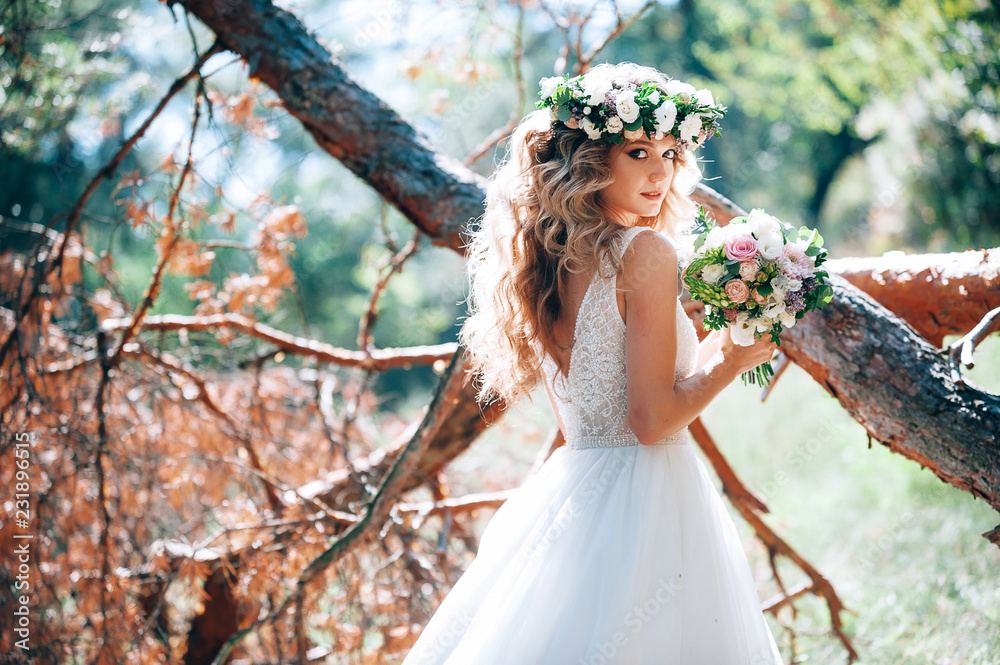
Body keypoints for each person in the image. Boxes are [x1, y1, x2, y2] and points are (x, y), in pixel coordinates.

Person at [401, 62, 782, 665]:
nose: (660, 171)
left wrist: (731, 335)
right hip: (650, 502)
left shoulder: (544, 268)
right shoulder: (646, 252)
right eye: (638, 152)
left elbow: (604, 405)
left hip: (578, 494)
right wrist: (734, 363)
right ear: (589, 160)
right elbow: (650, 422)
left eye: (670, 152)